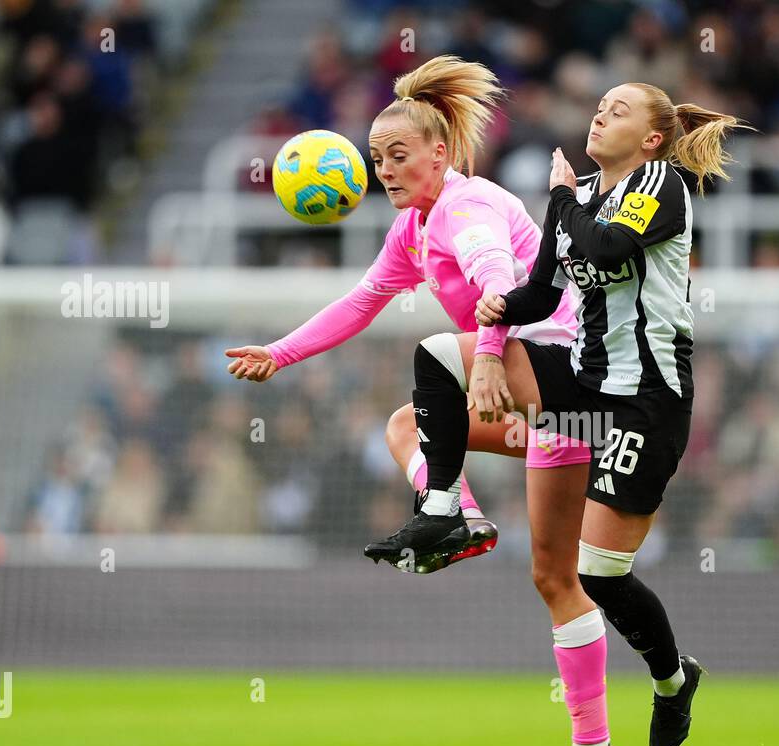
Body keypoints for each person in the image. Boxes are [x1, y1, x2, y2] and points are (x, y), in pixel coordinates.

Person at [366, 81, 750, 746]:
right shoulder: (577, 204)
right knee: (441, 362)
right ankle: (446, 510)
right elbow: (542, 293)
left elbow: (606, 247)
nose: (600, 113)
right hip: (582, 392)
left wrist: (563, 201)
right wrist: (497, 314)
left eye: (620, 109)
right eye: (598, 105)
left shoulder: (657, 186)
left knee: (599, 573)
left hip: (649, 403)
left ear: (650, 139)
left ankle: (673, 682)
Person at [224, 55, 590, 577]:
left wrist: (485, 359)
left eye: (398, 155)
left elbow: (499, 281)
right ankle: (464, 517)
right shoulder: (412, 229)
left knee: (436, 356)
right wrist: (279, 354)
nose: (386, 171)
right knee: (406, 430)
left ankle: (440, 511)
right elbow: (359, 304)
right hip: (541, 406)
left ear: (439, 154)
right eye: (377, 160)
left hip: (563, 368)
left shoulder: (465, 206)